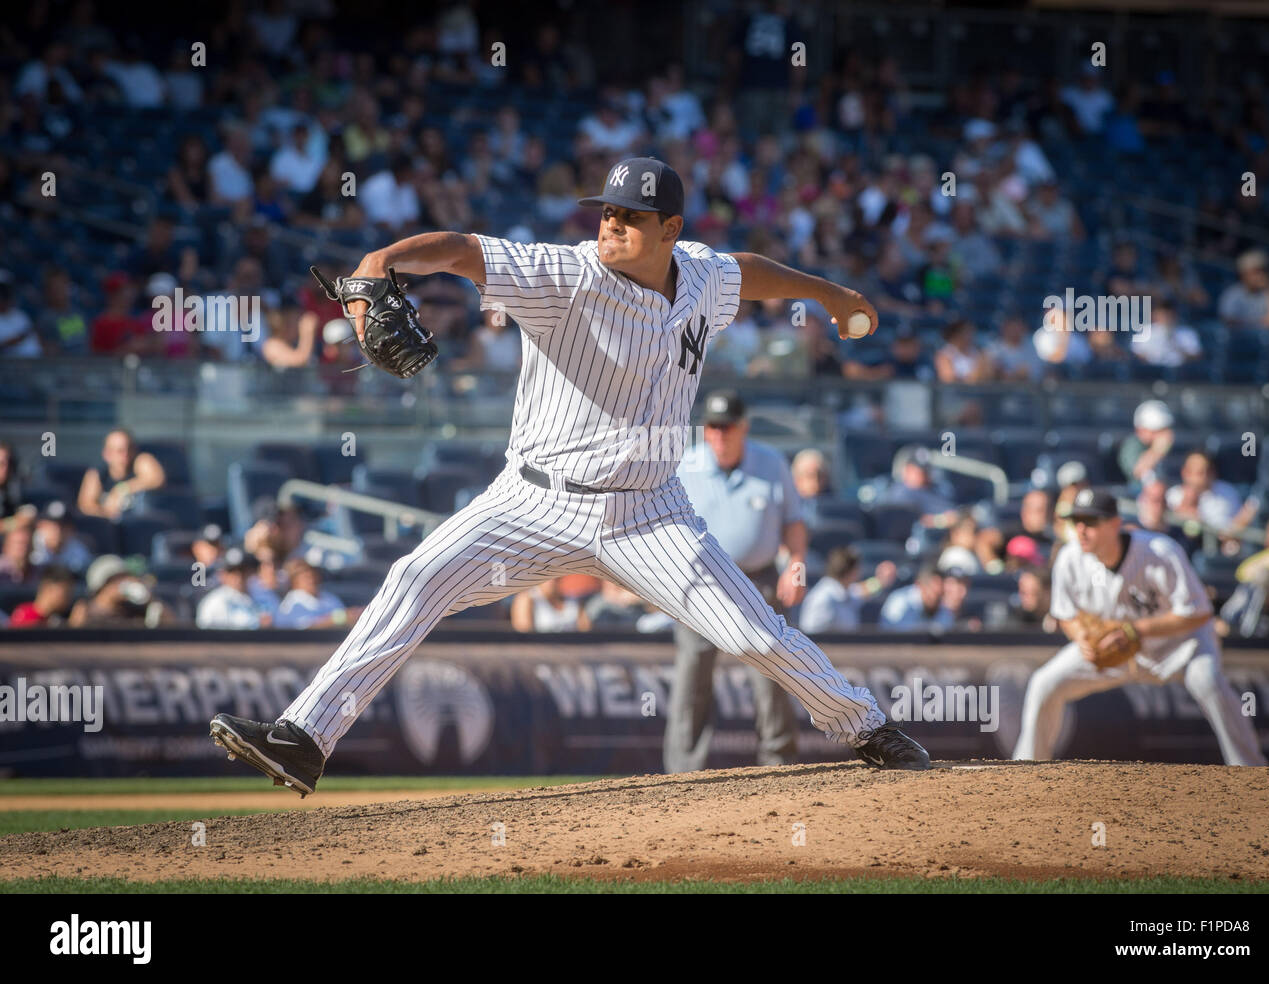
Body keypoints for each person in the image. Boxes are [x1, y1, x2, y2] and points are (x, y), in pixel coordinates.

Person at [210, 155, 929, 797]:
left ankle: (866, 728)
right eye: (607, 210)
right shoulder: (565, 275)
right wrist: (380, 260)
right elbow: (460, 251)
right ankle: (304, 738)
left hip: (652, 513)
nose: (611, 224)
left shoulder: (703, 276)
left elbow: (752, 270)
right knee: (413, 579)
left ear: (671, 228)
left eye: (631, 216)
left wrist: (830, 294)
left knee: (755, 637)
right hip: (532, 502)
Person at [1012, 490, 1266, 766]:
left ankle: (1250, 768)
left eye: (1090, 521)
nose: (1081, 529)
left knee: (1208, 682)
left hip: (1179, 647)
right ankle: (1027, 770)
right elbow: (1065, 614)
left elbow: (1198, 612)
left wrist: (1137, 629)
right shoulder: (1070, 558)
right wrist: (1081, 637)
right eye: (1077, 521)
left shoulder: (1160, 552)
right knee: (1044, 683)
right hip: (1115, 648)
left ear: (1114, 524)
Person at [664, 390, 806, 773]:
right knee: (693, 673)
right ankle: (683, 771)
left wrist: (796, 564)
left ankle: (779, 762)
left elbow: (794, 521)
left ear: (743, 427)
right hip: (699, 583)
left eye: (727, 426)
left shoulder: (771, 462)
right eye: (713, 425)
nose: (720, 433)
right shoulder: (683, 464)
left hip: (756, 579)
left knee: (772, 669)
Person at [77, 429, 166, 520]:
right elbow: (86, 505)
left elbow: (156, 478)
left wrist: (121, 489)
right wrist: (108, 514)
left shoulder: (140, 461)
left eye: (129, 449)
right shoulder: (97, 473)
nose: (125, 454)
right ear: (106, 454)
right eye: (120, 451)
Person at [196, 548, 270, 630]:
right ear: (222, 575)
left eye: (243, 571)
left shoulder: (265, 596)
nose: (239, 576)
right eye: (232, 572)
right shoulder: (214, 602)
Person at [800, 546, 866, 634]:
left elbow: (863, 590)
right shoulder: (822, 599)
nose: (860, 572)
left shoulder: (846, 591)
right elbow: (812, 637)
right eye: (857, 568)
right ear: (851, 571)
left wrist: (880, 581)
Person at [275, 559, 357, 629]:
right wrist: (336, 619)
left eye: (313, 576)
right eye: (306, 578)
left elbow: (346, 618)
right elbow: (304, 628)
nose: (312, 580)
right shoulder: (290, 603)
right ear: (295, 582)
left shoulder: (329, 597)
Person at [1217, 250, 1269, 331]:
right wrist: (1258, 322)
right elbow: (1227, 320)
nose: (1261, 275)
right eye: (1256, 271)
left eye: (1263, 271)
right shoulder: (1232, 294)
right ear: (1244, 273)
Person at [1118, 399, 1175, 486]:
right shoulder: (1132, 445)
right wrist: (1158, 449)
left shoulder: (1169, 446)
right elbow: (1138, 472)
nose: (1163, 435)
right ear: (1140, 429)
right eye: (1156, 430)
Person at [880, 564, 954, 631]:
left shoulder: (943, 606)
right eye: (933, 592)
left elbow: (947, 627)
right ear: (919, 585)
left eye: (940, 593)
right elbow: (889, 633)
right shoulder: (898, 601)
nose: (936, 598)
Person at [510, 577, 592, 632]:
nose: (552, 580)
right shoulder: (527, 599)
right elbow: (524, 635)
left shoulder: (574, 601)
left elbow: (586, 629)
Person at [30, 500, 93, 573]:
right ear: (40, 526)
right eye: (52, 525)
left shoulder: (79, 551)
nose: (57, 531)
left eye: (63, 526)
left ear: (71, 530)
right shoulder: (27, 545)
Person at [8, 565, 75, 627]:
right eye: (66, 593)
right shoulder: (24, 615)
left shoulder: (58, 618)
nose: (68, 598)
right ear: (48, 588)